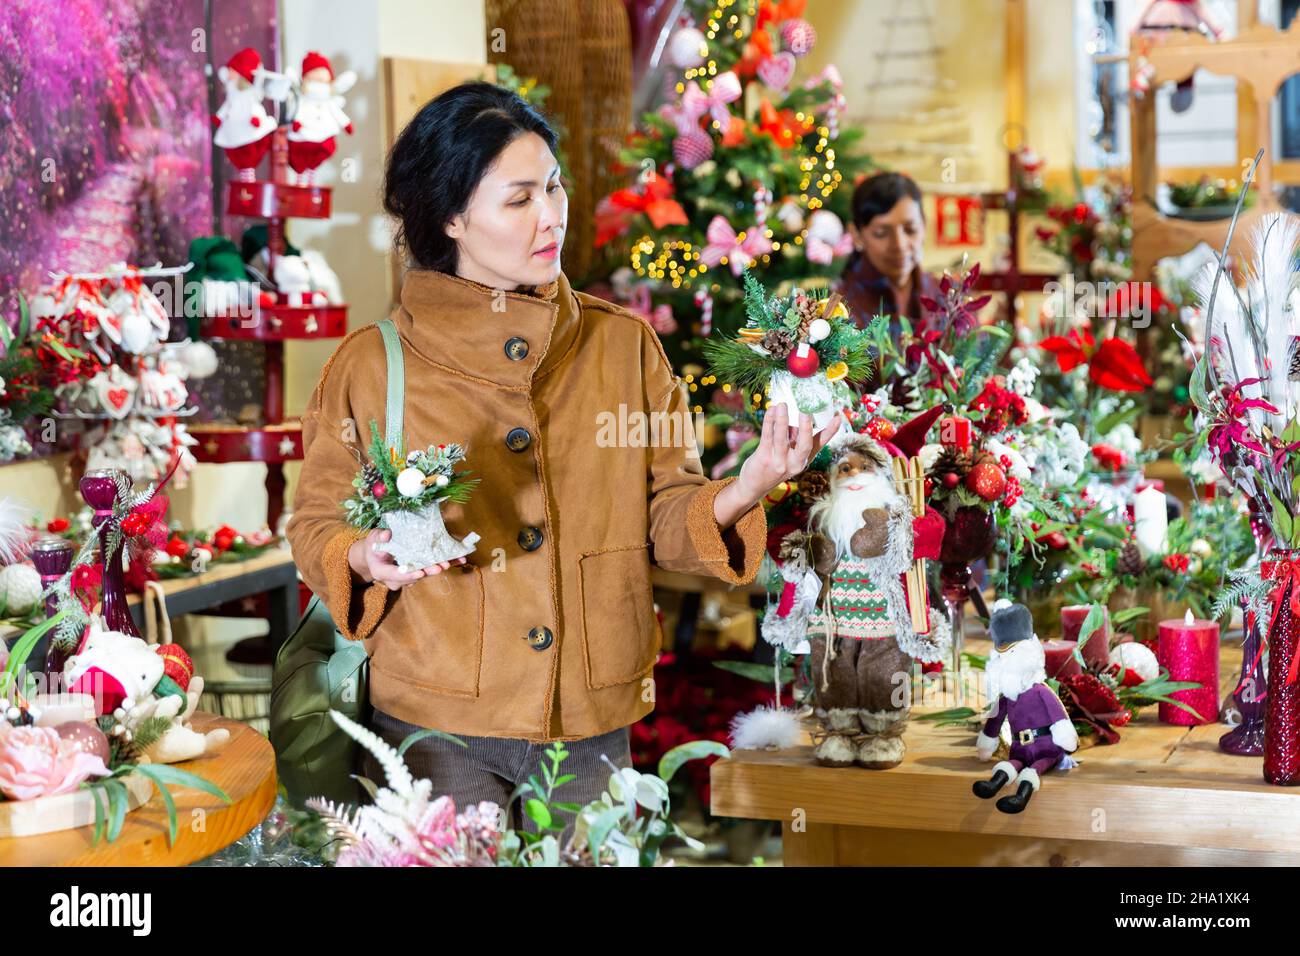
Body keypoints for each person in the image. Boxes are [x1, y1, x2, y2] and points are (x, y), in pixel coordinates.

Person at [284, 82, 840, 835]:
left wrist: (743, 490)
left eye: (553, 187)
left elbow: (667, 513)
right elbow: (317, 520)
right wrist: (362, 556)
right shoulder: (370, 366)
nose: (551, 215)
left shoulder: (623, 346)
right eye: (518, 200)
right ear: (450, 216)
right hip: (436, 718)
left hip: (591, 718)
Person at [833, 171, 939, 363]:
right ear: (856, 235)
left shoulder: (947, 297)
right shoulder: (838, 309)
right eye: (881, 233)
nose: (899, 244)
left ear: (924, 225)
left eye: (910, 229)